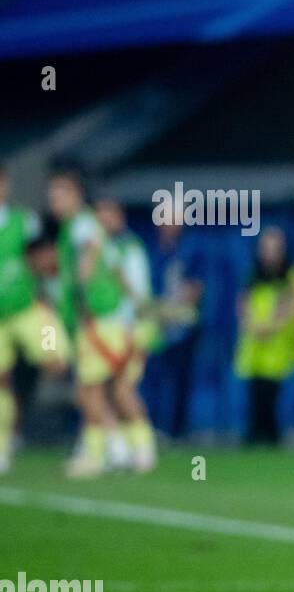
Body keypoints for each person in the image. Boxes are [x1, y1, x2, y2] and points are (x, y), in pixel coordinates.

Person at [48, 169, 138, 478]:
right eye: (52, 195)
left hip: (94, 317)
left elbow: (89, 253)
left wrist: (83, 295)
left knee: (90, 390)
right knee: (89, 390)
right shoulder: (76, 226)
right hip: (96, 316)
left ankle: (97, 453)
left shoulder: (82, 224)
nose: (54, 201)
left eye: (61, 194)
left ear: (77, 196)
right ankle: (116, 448)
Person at [0, 166, 69, 474]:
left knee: (56, 358)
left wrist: (48, 282)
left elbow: (42, 259)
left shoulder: (23, 221)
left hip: (27, 308)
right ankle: (4, 442)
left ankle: (100, 429)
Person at [93, 197, 157, 472]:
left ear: (119, 215)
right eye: (99, 214)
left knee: (122, 390)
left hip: (131, 327)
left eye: (107, 213)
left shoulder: (130, 248)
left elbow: (139, 295)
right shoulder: (103, 248)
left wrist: (134, 331)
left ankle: (145, 447)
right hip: (109, 329)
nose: (103, 219)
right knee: (105, 389)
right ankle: (123, 447)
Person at [234, 227, 294, 446]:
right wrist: (252, 325)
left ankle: (273, 434)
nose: (270, 253)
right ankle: (255, 433)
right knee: (254, 391)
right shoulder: (252, 274)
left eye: (275, 248)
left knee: (273, 392)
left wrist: (271, 326)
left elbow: (293, 304)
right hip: (254, 343)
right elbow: (242, 304)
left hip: (280, 343)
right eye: (266, 248)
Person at [146, 206, 203, 438]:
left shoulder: (189, 250)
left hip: (182, 327)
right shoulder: (154, 251)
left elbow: (195, 288)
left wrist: (175, 312)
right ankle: (153, 427)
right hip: (155, 326)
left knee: (179, 380)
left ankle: (176, 431)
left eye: (173, 219)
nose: (169, 224)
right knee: (154, 379)